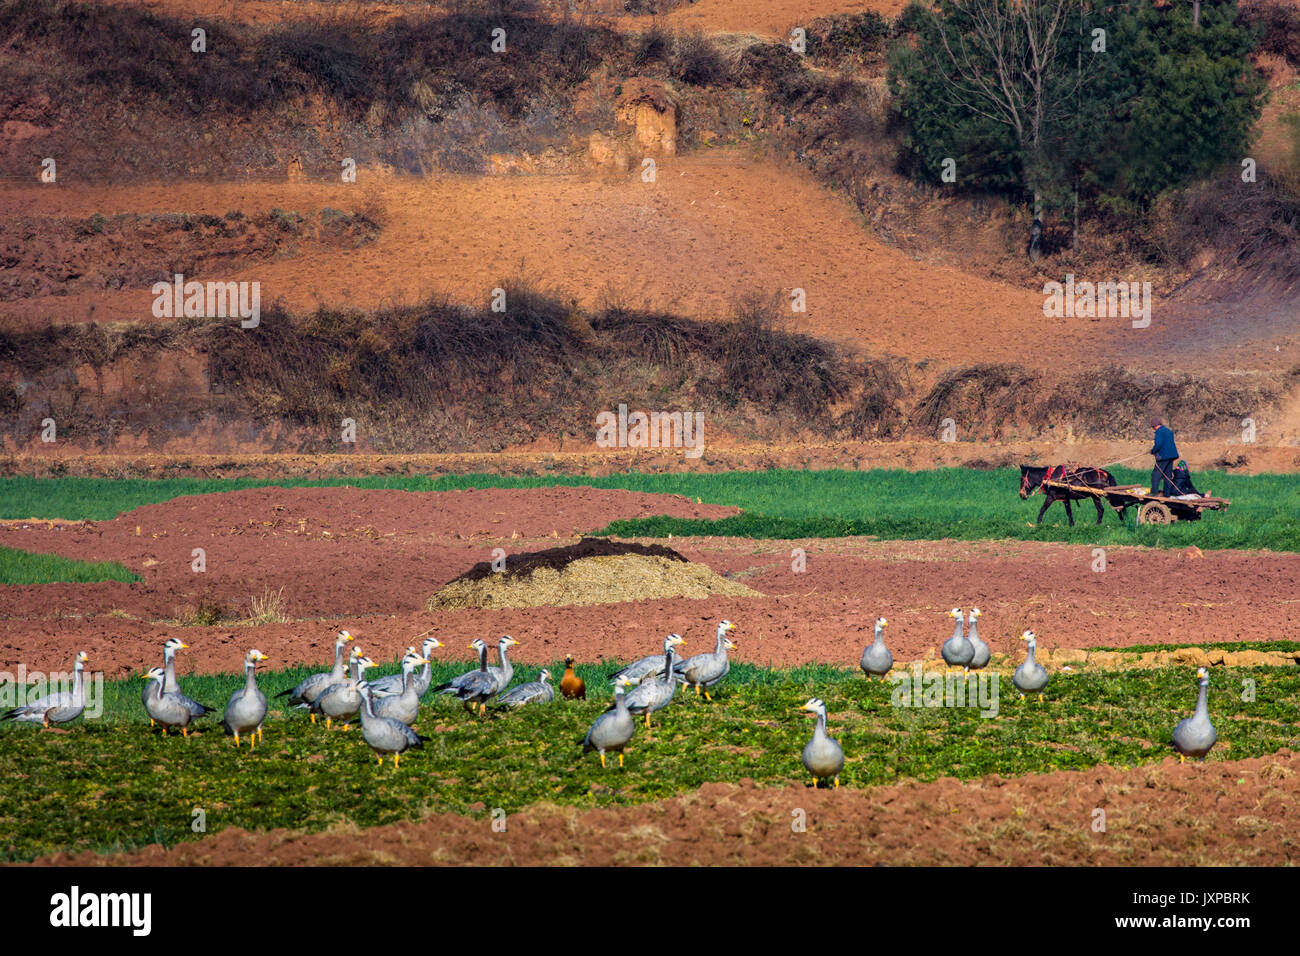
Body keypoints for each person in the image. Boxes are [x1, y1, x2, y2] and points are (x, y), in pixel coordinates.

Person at [1148, 416, 1179, 497]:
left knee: (1155, 475)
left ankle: (1154, 492)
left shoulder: (1159, 432)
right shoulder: (1168, 431)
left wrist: (1153, 451)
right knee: (1167, 475)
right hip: (1171, 456)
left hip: (1163, 456)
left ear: (1154, 426)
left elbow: (1158, 444)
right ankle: (1167, 494)